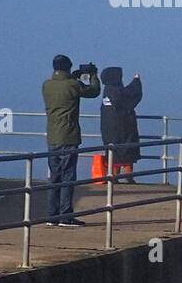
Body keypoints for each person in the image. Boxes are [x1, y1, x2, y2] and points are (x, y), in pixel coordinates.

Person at [41, 54, 100, 227]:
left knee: (55, 177)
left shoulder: (47, 85)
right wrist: (93, 75)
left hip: (52, 136)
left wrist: (73, 75)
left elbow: (63, 87)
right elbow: (94, 91)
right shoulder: (73, 85)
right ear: (68, 67)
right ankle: (66, 216)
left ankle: (52, 216)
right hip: (69, 135)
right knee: (68, 176)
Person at [99, 67, 143, 183]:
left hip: (108, 127)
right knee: (127, 149)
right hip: (124, 126)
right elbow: (131, 95)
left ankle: (113, 176)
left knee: (113, 151)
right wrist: (136, 81)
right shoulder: (116, 91)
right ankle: (129, 176)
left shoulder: (107, 91)